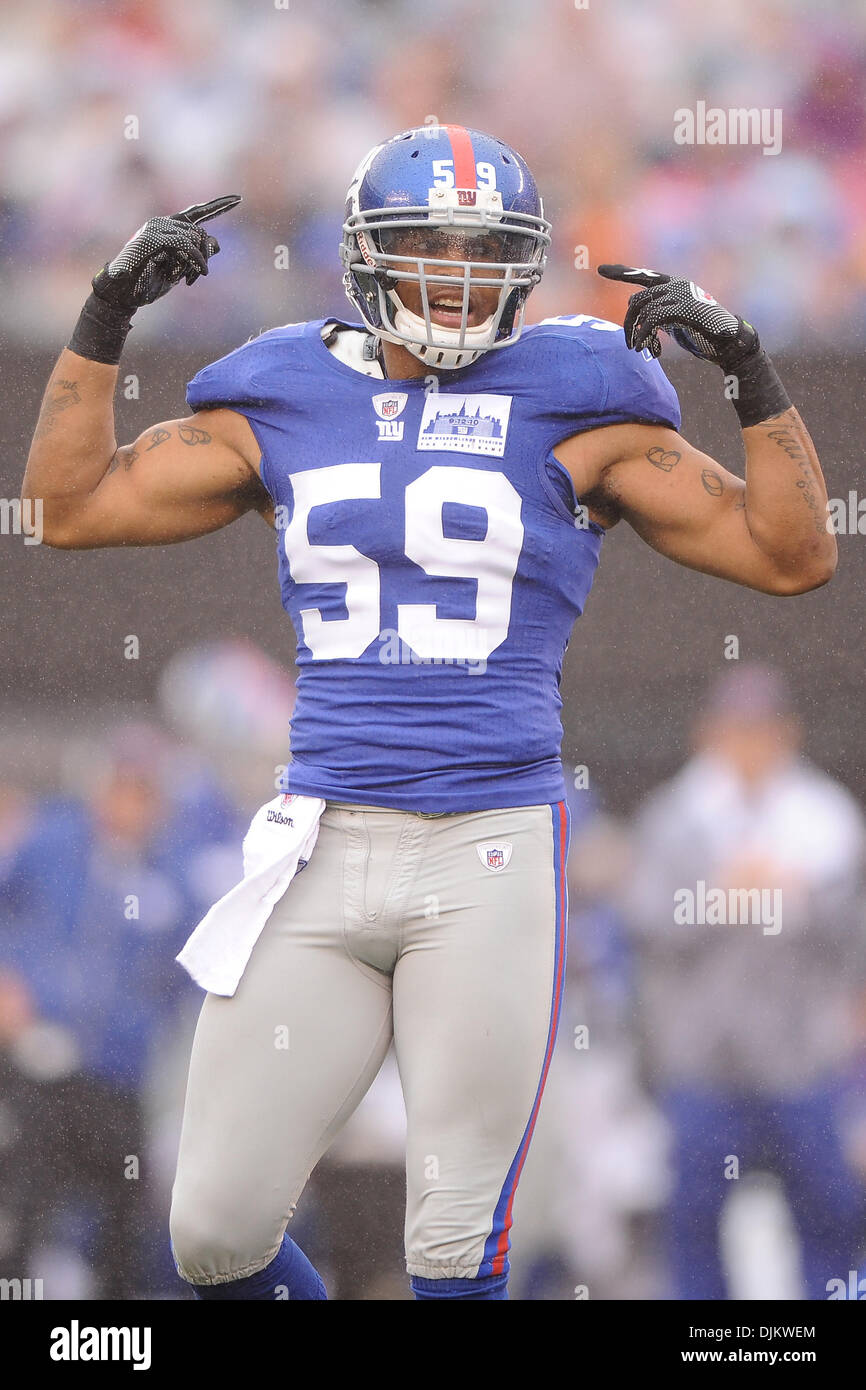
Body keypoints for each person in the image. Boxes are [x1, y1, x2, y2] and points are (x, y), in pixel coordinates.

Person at [21, 124, 836, 1301]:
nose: (456, 274)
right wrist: (103, 318)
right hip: (321, 837)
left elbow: (792, 552)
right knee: (210, 1229)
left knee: (453, 1250)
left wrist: (750, 375)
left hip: (486, 844)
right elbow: (64, 504)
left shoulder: (582, 393)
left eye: (482, 249)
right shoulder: (284, 386)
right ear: (367, 257)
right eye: (428, 246)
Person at [623, 664, 866, 1299]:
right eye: (736, 730)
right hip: (703, 1061)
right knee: (694, 1218)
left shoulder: (828, 820)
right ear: (709, 735)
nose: (749, 745)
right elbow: (647, 918)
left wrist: (795, 896)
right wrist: (722, 897)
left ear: (787, 734)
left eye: (762, 730)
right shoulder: (674, 819)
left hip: (801, 1062)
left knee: (829, 1211)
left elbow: (852, 936)